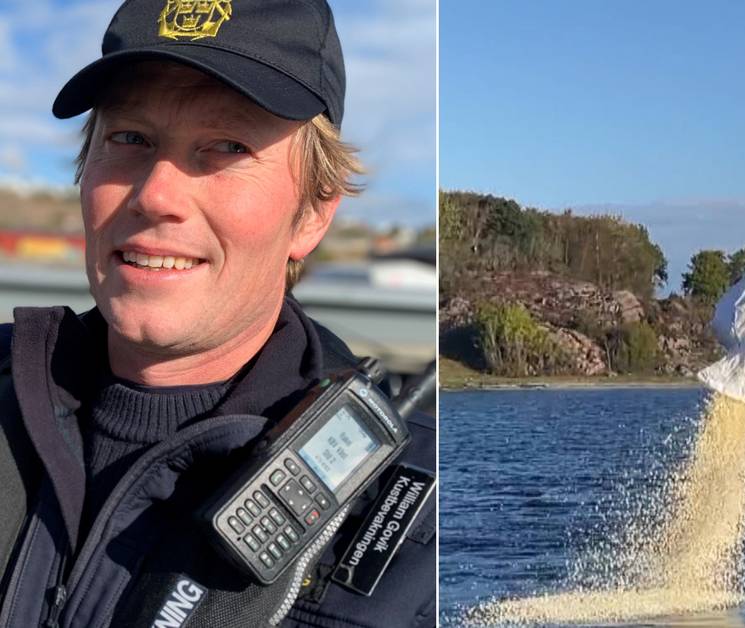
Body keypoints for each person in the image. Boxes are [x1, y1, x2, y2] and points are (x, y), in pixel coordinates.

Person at [0, 2, 435, 627]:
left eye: (227, 146)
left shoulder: (423, 545)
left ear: (313, 212)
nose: (157, 194)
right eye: (130, 138)